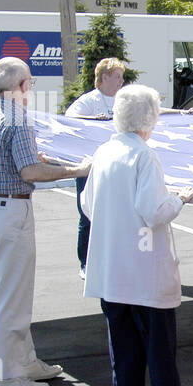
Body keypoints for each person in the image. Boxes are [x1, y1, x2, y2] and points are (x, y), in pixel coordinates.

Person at [81, 85, 193, 386]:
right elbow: (153, 211)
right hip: (144, 276)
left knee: (124, 352)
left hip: (112, 272)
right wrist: (179, 199)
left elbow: (88, 205)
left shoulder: (105, 151)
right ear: (150, 119)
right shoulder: (144, 155)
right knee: (159, 352)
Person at [0, 57, 92, 386]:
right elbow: (31, 171)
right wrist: (76, 171)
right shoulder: (18, 119)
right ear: (21, 86)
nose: (31, 88)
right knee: (11, 300)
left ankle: (23, 361)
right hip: (10, 210)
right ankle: (6, 376)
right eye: (30, 82)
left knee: (4, 296)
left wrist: (56, 164)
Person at [65, 58, 126, 278]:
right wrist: (92, 119)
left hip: (116, 167)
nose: (121, 81)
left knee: (116, 214)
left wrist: (185, 113)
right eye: (117, 76)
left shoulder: (122, 100)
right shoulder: (88, 101)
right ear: (104, 77)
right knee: (87, 214)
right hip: (90, 167)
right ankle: (85, 263)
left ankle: (113, 260)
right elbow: (69, 119)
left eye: (121, 76)